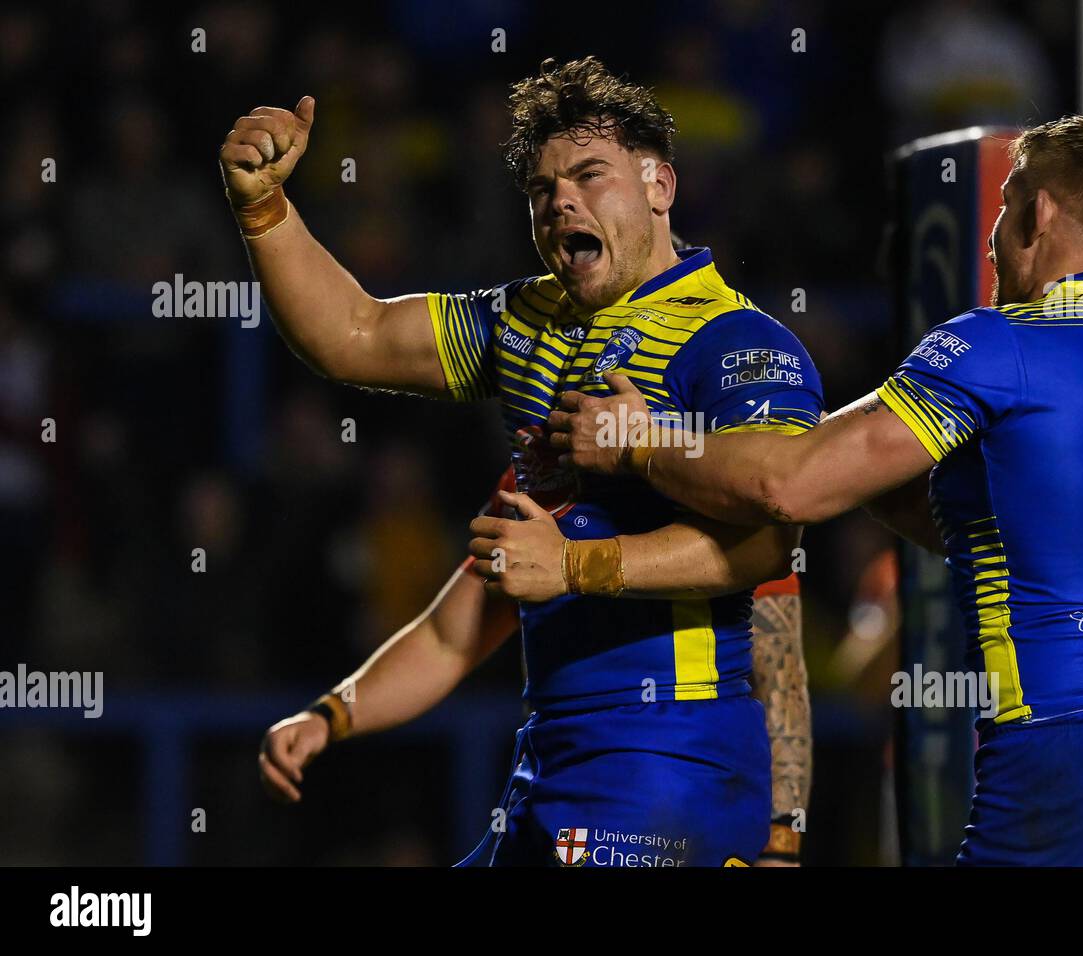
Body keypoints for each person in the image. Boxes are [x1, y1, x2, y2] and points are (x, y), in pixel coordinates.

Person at [552, 111, 1083, 866]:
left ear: (1037, 212)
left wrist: (642, 442)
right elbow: (1022, 528)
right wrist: (864, 469)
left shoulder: (1001, 343)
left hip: (1069, 749)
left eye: (1006, 206)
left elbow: (791, 486)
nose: (993, 237)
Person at [223, 57, 823, 865]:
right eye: (542, 189)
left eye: (588, 175)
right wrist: (266, 210)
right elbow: (353, 334)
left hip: (668, 763)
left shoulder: (737, 343)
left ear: (660, 187)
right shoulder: (523, 324)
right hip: (549, 767)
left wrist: (580, 563)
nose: (561, 200)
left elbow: (767, 545)